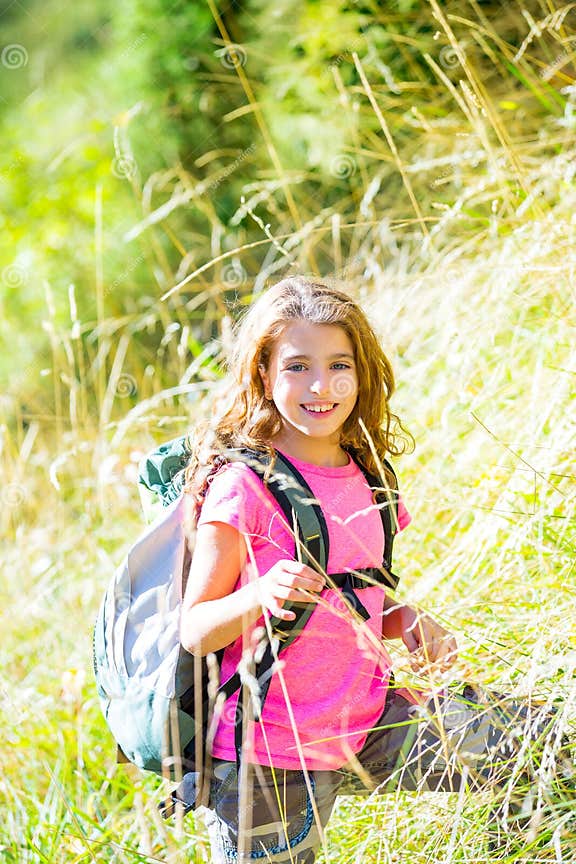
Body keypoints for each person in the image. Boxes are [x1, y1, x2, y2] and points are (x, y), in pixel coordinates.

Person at [179, 276, 570, 862]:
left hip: (370, 718)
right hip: (269, 758)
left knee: (546, 752)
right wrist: (260, 592)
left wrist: (405, 619)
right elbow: (195, 629)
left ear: (361, 373)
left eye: (340, 365)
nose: (321, 386)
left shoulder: (370, 476)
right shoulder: (243, 487)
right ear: (263, 374)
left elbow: (355, 597)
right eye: (297, 367)